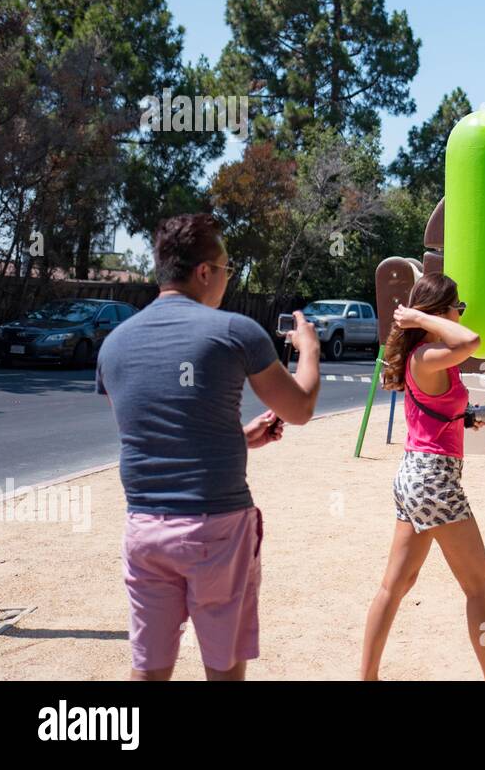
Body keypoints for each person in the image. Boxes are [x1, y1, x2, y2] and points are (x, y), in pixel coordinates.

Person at [96, 212, 322, 681]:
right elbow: (299, 408)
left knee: (150, 669)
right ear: (204, 272)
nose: (226, 279)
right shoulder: (235, 331)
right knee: (222, 668)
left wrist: (239, 438)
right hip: (214, 529)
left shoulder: (114, 345)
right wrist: (309, 349)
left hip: (144, 529)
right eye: (226, 269)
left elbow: (157, 434)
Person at [360, 273, 485, 680]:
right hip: (434, 481)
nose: (460, 314)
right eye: (456, 307)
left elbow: (435, 412)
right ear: (441, 312)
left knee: (396, 585)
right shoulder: (426, 355)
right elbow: (470, 341)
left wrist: (472, 417)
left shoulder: (427, 357)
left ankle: (366, 678)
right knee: (480, 587)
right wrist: (422, 319)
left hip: (415, 477)